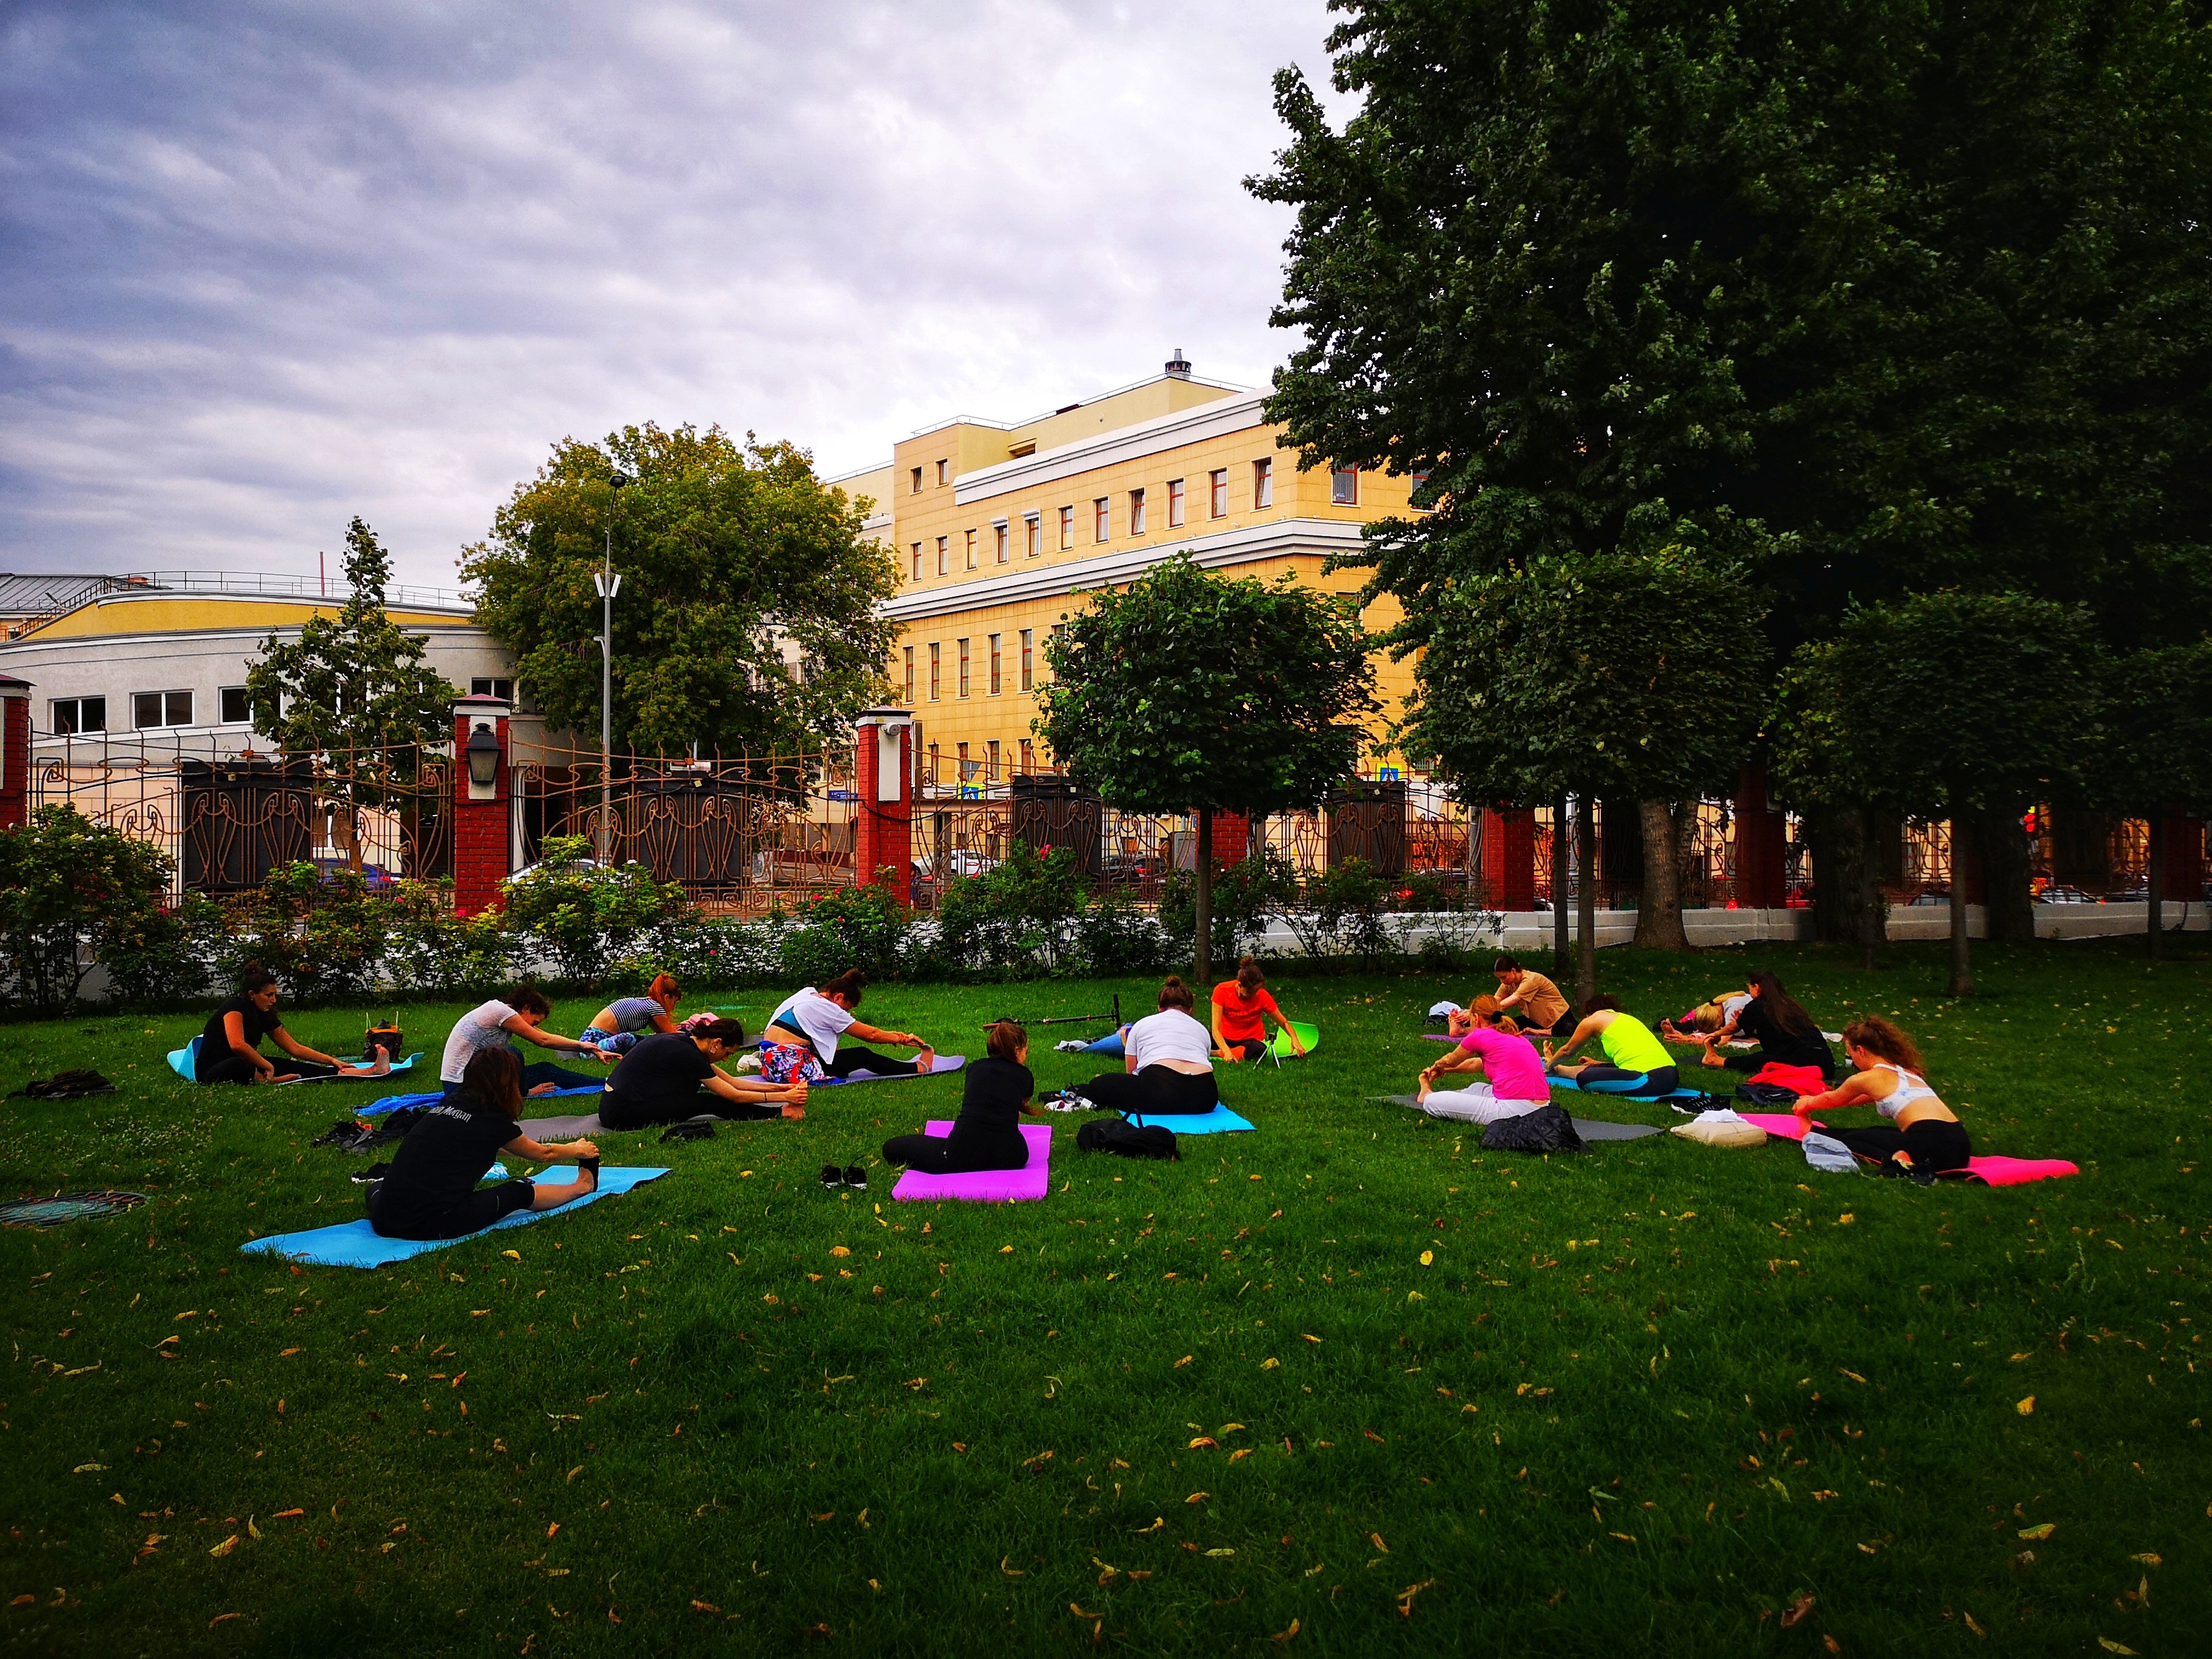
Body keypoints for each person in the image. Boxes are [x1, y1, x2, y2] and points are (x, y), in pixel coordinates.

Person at [367, 1046, 600, 1240]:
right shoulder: (489, 1119)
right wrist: (578, 1150)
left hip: (385, 1218)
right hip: (430, 1223)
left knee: (377, 1188)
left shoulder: (446, 1107)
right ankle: (581, 1187)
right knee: (517, 1192)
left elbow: (490, 1146)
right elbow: (544, 1154)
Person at [1792, 1016, 1969, 1178]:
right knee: (1872, 1132)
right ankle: (1903, 1153)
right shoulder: (1906, 1072)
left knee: (1853, 1140)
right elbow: (1849, 1099)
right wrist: (1815, 1102)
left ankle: (1903, 1160)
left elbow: (1833, 1099)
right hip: (1959, 1146)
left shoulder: (1868, 1078)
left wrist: (1807, 1103)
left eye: (1850, 1053)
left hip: (1929, 1145)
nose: (1852, 1059)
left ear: (1860, 1050)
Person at [882, 1021, 1038, 1175]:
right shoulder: (1026, 1076)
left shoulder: (975, 1068)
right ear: (1017, 1051)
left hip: (963, 1151)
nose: (1026, 1056)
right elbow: (1019, 1106)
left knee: (891, 1147)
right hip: (1012, 1155)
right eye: (1026, 1051)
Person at [194, 964, 391, 1085]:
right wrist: (267, 1067)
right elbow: (237, 1044)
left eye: (275, 995)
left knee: (291, 1065)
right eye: (269, 995)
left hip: (248, 1066)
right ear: (252, 995)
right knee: (246, 1063)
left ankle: (369, 1071)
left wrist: (332, 1060)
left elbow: (294, 1048)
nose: (274, 1000)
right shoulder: (234, 1007)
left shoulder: (265, 1015)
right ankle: (267, 1080)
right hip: (214, 1071)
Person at [598, 1019, 808, 1130]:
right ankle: (781, 1114)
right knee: (706, 1102)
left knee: (699, 1096)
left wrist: (783, 1088)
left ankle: (781, 1110)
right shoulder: (686, 1054)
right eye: (728, 1053)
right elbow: (733, 1095)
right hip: (621, 1114)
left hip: (615, 1105)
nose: (727, 1059)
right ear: (717, 1044)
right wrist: (784, 1100)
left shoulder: (687, 1043)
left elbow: (734, 1083)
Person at [1054, 976, 1219, 1118]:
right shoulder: (1202, 1029)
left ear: (1159, 1008)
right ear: (1189, 1010)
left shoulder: (1142, 1025)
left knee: (1099, 1085)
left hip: (1161, 1091)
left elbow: (1132, 1073)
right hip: (1205, 1097)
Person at [760, 970, 934, 1084]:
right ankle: (917, 1068)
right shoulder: (828, 1008)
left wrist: (892, 1034)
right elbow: (871, 1035)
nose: (845, 1014)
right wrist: (900, 1039)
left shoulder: (806, 995)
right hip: (790, 1068)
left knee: (843, 1061)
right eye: (846, 1009)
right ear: (839, 998)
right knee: (862, 1055)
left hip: (770, 1065)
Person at [438, 986, 614, 1096]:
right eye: (535, 1021)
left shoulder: (505, 1013)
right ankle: (523, 1094)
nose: (534, 1026)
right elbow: (543, 1040)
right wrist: (528, 1091)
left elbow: (545, 1036)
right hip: (460, 1087)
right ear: (526, 1008)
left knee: (545, 1070)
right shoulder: (499, 1011)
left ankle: (605, 1082)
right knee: (512, 1054)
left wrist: (588, 1047)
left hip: (479, 1079)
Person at [1664, 970, 1838, 1078]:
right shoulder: (1789, 1004)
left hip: (1807, 1063)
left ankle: (1718, 1061)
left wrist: (1713, 1036)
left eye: (1750, 987)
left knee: (1759, 1060)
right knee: (1765, 1057)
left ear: (1756, 987)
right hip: (1826, 1063)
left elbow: (1732, 1028)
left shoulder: (1757, 1006)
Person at [1415, 1004, 1552, 1124]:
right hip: (1542, 1105)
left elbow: (1450, 1059)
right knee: (1477, 1088)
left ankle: (1427, 1095)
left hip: (1514, 1110)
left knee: (1432, 1103)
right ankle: (1454, 1099)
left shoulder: (1481, 1035)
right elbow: (1477, 1064)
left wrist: (1437, 1067)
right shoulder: (1512, 1036)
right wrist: (1447, 1070)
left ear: (1476, 1018)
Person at [1544, 995, 1680, 1096]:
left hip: (1651, 1081)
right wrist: (1601, 1064)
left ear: (1588, 1013)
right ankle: (1559, 1069)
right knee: (1593, 1068)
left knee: (1585, 1078)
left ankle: (1555, 1070)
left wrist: (1549, 1065)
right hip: (1671, 1076)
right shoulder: (1626, 1019)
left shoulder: (1592, 1020)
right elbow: (1636, 1058)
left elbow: (1568, 1051)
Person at [1210, 957, 1305, 1061]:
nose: (1255, 995)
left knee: (1259, 1050)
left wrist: (1294, 1039)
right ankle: (1226, 1052)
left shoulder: (1262, 995)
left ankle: (1218, 1053)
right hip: (1226, 1037)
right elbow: (1216, 1030)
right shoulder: (1221, 991)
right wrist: (1226, 1050)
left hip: (1250, 1040)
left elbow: (1284, 1022)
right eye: (1251, 992)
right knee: (1198, 1037)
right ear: (1240, 985)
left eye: (1257, 990)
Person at [577, 973, 684, 1054]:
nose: (674, 1007)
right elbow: (672, 1034)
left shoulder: (646, 1004)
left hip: (589, 1042)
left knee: (653, 1039)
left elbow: (662, 1034)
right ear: (666, 998)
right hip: (593, 1046)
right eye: (674, 1002)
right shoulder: (655, 1007)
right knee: (629, 1038)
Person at [1484, 955, 1573, 1039]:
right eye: (1499, 978)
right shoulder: (1508, 983)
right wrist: (1476, 1011)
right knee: (1504, 1026)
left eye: (1503, 977)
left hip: (1559, 1018)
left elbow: (1507, 1003)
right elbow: (1496, 999)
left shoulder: (1530, 980)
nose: (1502, 981)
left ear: (1513, 971)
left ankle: (1545, 1032)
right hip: (1535, 1021)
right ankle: (1541, 1031)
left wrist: (1484, 1012)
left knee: (1568, 1029)